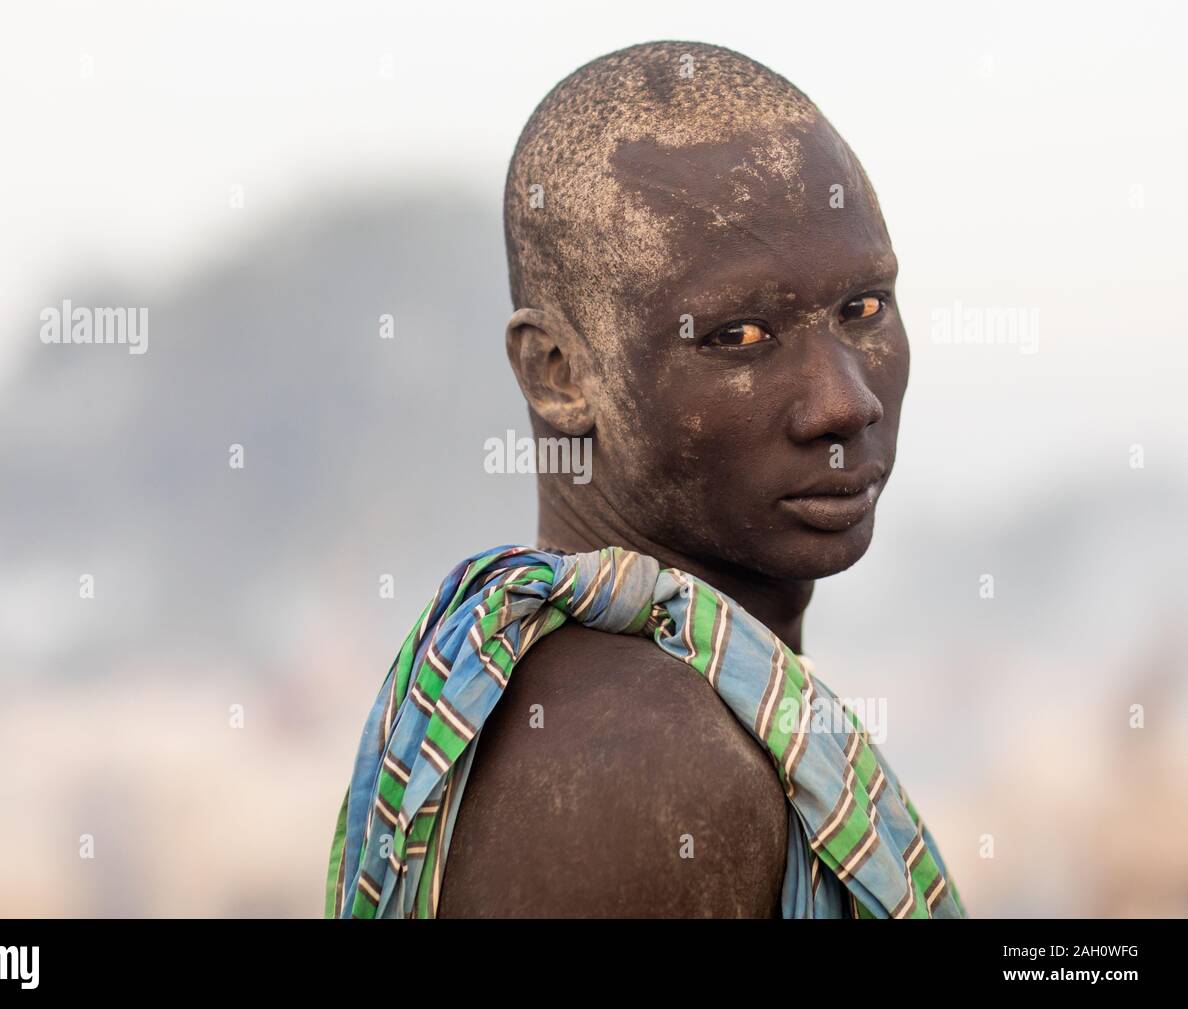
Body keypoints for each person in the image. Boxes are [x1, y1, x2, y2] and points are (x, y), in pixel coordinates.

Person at [327, 40, 963, 919]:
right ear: (558, 372)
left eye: (863, 309)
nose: (844, 403)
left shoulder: (679, 704)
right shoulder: (643, 761)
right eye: (740, 336)